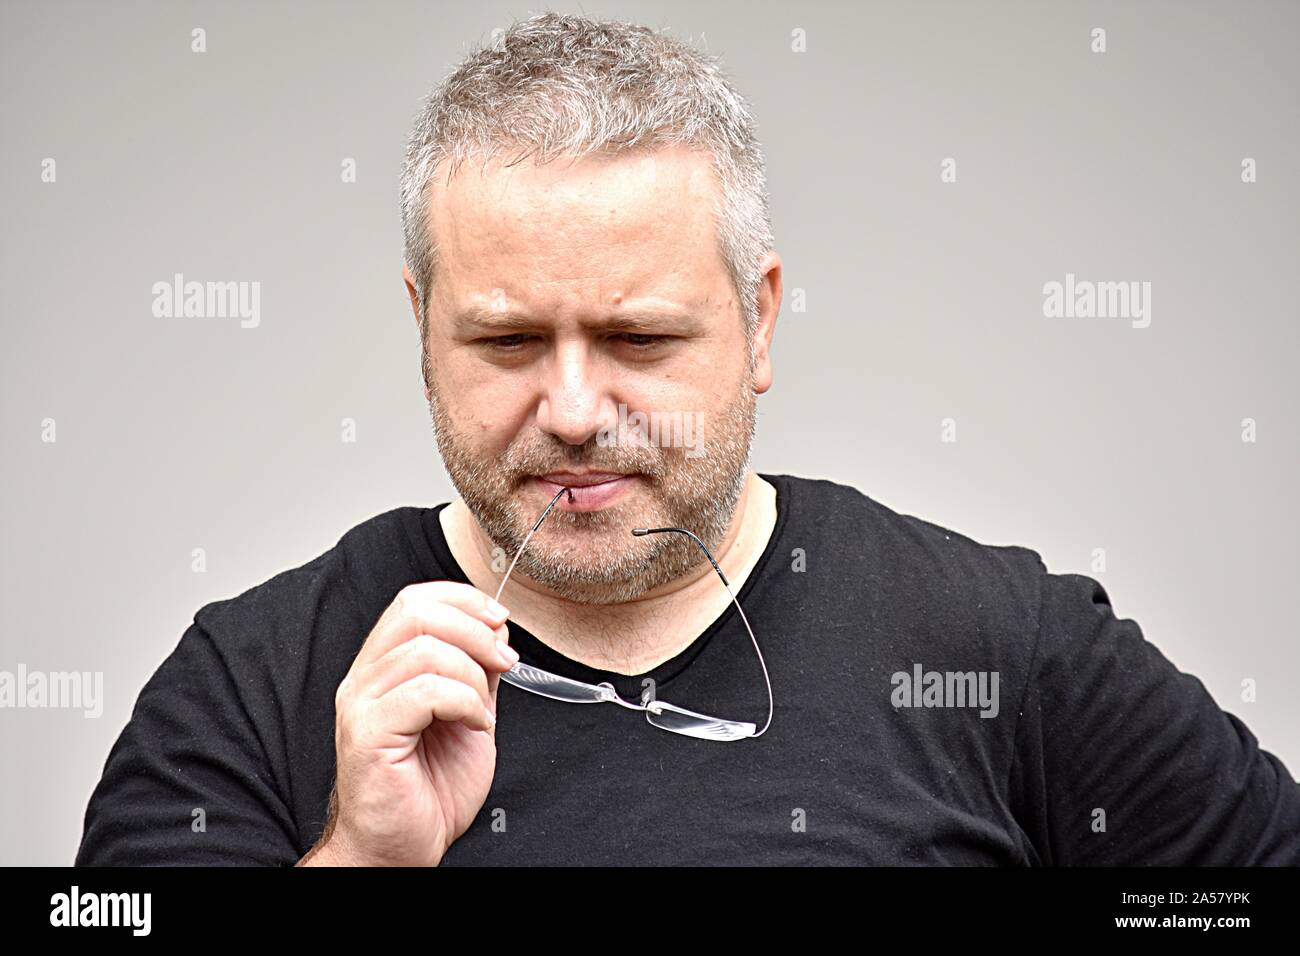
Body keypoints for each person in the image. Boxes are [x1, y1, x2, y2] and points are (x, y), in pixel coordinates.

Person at [76, 12, 1300, 867]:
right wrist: (358, 858)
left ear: (757, 317)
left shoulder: (1002, 643)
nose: (568, 408)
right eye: (503, 344)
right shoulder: (250, 683)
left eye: (639, 340)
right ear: (421, 324)